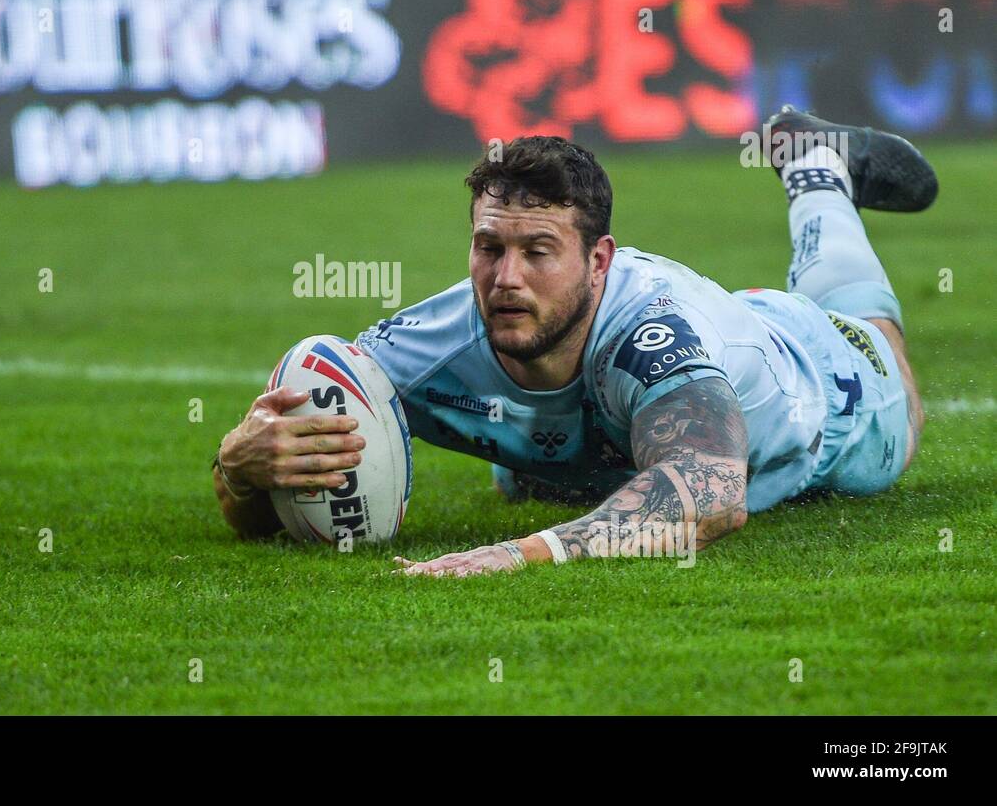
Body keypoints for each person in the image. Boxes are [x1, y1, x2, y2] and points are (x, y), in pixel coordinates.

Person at [211, 108, 936, 576]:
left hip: (825, 379)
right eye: (488, 246)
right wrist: (242, 468)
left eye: (538, 251)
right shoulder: (417, 349)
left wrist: (524, 552)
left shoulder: (651, 339)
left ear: (598, 260)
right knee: (570, 453)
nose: (505, 278)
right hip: (709, 346)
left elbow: (711, 494)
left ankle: (817, 170)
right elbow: (275, 492)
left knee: (884, 360)